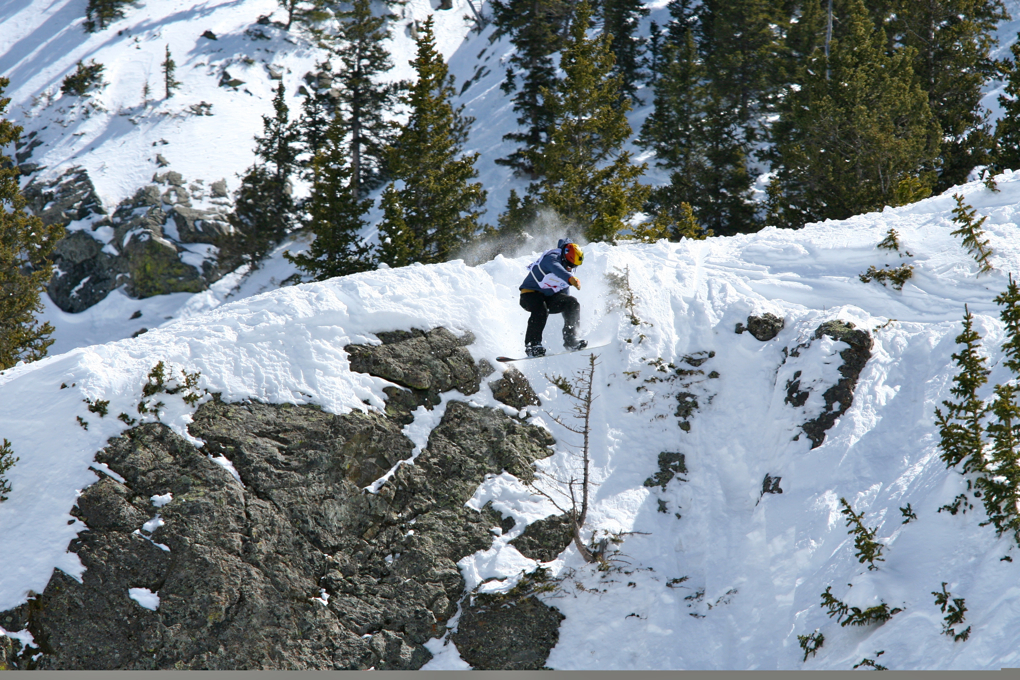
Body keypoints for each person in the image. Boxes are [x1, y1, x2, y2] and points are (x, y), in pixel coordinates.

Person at [518, 239, 588, 357]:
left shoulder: (568, 271)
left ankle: (571, 339)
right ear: (565, 258)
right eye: (570, 265)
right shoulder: (552, 257)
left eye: (575, 266)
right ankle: (532, 345)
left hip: (549, 298)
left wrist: (569, 312)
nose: (571, 268)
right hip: (529, 295)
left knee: (572, 303)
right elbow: (555, 268)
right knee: (540, 309)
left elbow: (564, 292)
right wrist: (570, 279)